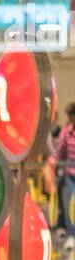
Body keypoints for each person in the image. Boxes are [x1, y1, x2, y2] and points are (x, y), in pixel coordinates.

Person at [55, 103, 75, 250]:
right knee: (69, 206)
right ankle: (72, 236)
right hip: (70, 174)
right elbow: (60, 152)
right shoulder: (66, 132)